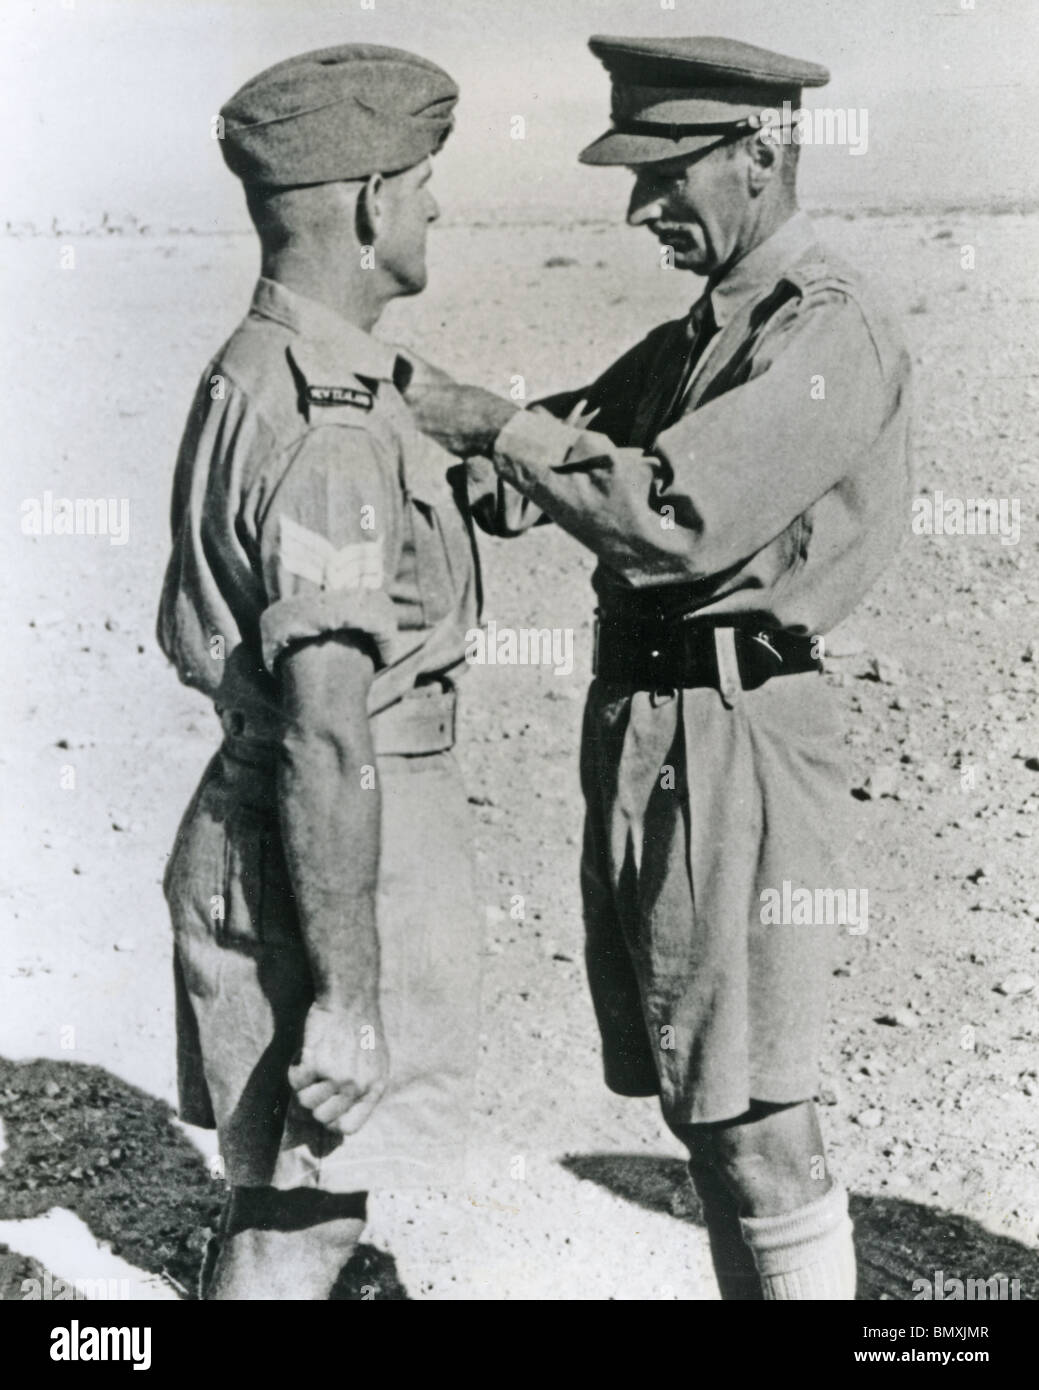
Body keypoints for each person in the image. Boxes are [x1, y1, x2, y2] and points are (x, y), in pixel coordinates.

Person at [405, 34, 913, 1300]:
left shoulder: (823, 328)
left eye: (668, 174)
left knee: (755, 1124)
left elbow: (669, 516)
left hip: (734, 731)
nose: (642, 210)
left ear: (759, 153)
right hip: (656, 726)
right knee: (704, 1107)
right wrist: (430, 435)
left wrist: (494, 424)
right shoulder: (704, 333)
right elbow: (545, 465)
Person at [157, 43, 483, 1300]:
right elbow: (330, 733)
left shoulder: (262, 367)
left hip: (271, 830)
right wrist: (347, 996)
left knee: (285, 1198)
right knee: (304, 1223)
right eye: (422, 181)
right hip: (331, 853)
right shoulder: (330, 423)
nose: (437, 206)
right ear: (367, 203)